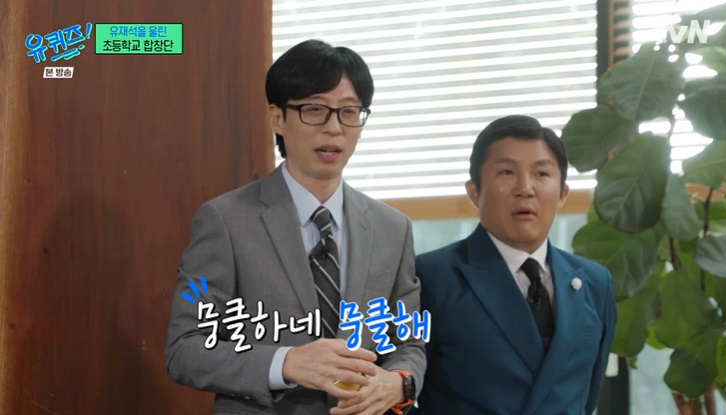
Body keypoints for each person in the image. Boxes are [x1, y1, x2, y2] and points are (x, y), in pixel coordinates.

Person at [165, 39, 425, 415]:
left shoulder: (393, 228)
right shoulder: (224, 221)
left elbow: (409, 341)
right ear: (277, 118)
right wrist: (285, 363)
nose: (334, 128)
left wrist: (399, 382)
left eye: (349, 112)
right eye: (315, 110)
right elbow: (186, 348)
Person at [411, 115, 616, 415]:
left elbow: (586, 398)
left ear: (562, 195)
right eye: (507, 172)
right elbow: (393, 391)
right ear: (474, 192)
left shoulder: (595, 283)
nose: (525, 188)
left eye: (542, 173)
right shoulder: (431, 277)